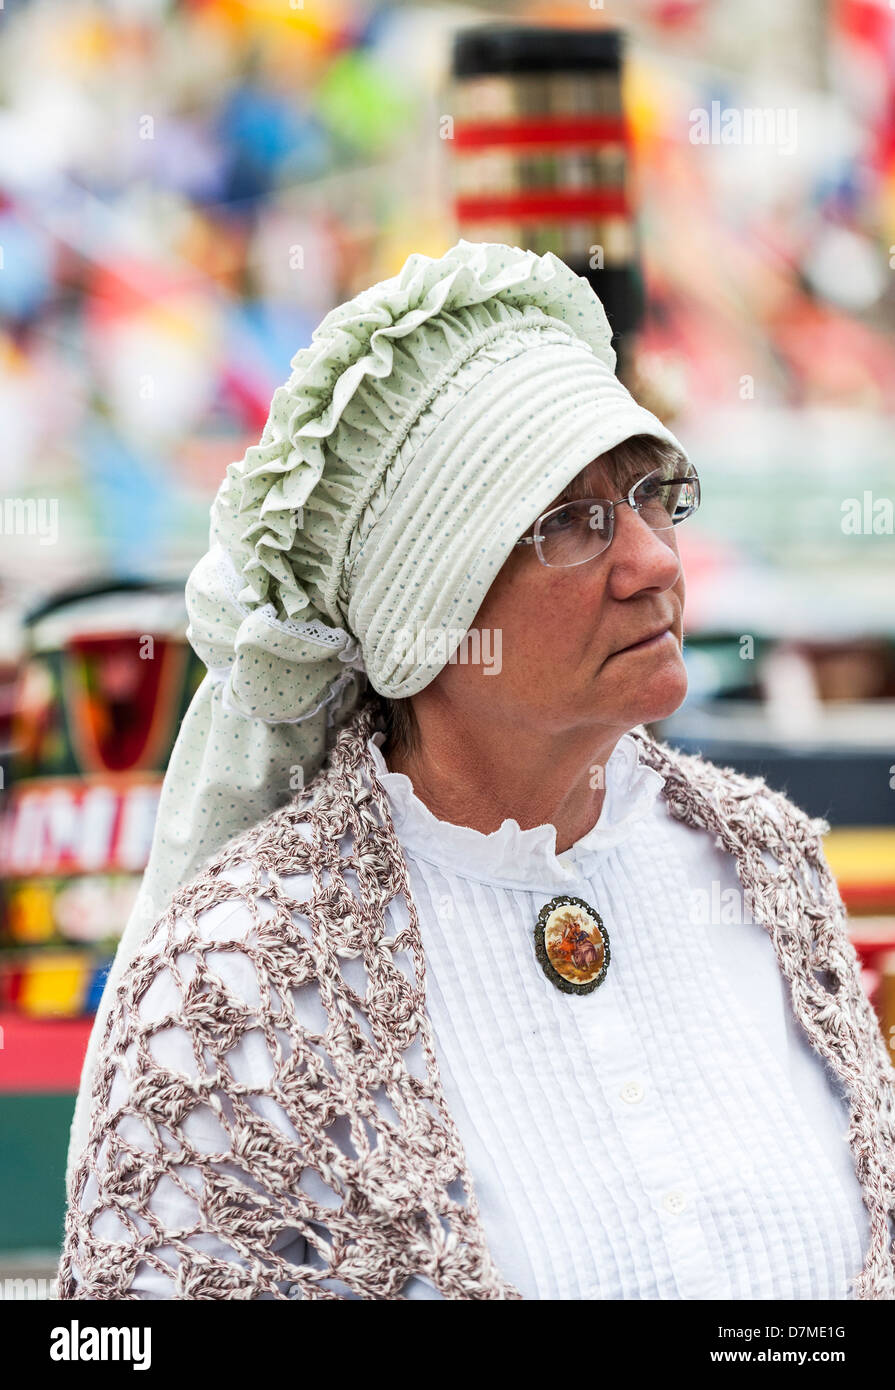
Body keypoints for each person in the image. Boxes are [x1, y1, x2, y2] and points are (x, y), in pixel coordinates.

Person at [58, 239, 895, 1301]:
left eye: (646, 494)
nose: (650, 561)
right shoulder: (244, 977)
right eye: (570, 523)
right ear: (424, 616)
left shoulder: (763, 868)